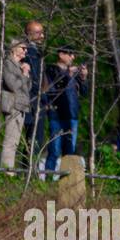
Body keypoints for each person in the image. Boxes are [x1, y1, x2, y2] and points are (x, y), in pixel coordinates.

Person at [43, 47, 89, 176]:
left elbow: (84, 93)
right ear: (61, 54)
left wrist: (84, 77)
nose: (73, 57)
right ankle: (48, 179)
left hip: (72, 116)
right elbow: (54, 87)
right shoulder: (51, 69)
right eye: (70, 54)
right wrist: (67, 74)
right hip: (56, 115)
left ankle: (67, 181)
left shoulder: (75, 73)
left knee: (70, 151)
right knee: (54, 150)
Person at [0, 38, 33, 171]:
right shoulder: (8, 63)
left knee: (15, 143)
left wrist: (26, 75)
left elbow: (27, 88)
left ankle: (9, 172)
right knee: (10, 142)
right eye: (23, 48)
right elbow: (12, 85)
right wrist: (24, 75)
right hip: (13, 107)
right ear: (14, 48)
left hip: (21, 106)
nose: (26, 51)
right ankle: (6, 174)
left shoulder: (19, 65)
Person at [22, 20, 48, 175]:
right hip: (31, 101)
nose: (42, 36)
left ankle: (32, 170)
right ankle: (28, 171)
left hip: (38, 101)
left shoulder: (38, 52)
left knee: (37, 140)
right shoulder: (26, 53)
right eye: (38, 33)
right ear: (29, 33)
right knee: (32, 140)